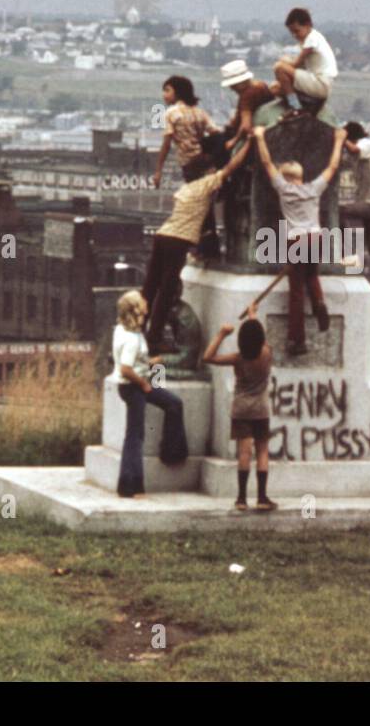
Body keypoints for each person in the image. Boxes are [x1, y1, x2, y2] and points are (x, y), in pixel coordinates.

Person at [142, 134, 253, 351]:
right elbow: (231, 167)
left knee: (150, 287)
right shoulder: (205, 184)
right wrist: (250, 143)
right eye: (211, 169)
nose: (214, 171)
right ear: (205, 172)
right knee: (166, 289)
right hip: (178, 241)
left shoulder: (186, 188)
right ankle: (154, 337)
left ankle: (136, 329)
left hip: (163, 235)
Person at [252, 123, 348, 354]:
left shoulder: (283, 189)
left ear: (285, 176)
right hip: (316, 238)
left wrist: (260, 137)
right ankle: (319, 303)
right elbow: (333, 166)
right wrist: (338, 140)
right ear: (302, 176)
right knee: (312, 274)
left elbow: (266, 163)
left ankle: (297, 340)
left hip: (296, 241)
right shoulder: (314, 188)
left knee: (296, 290)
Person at [112, 290, 187, 498]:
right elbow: (126, 369)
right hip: (133, 386)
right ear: (136, 309)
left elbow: (131, 362)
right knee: (135, 436)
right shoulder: (132, 339)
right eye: (142, 301)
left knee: (174, 404)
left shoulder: (124, 330)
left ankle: (172, 452)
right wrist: (144, 385)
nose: (146, 303)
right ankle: (131, 485)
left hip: (136, 382)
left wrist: (150, 363)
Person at [202, 312, 276, 512]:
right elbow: (259, 338)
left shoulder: (237, 359)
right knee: (262, 451)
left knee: (244, 452)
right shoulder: (268, 353)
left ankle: (241, 498)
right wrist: (253, 316)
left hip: (241, 409)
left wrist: (222, 334)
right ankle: (262, 497)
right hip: (261, 410)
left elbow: (208, 357)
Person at [155, 75, 223, 257]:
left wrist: (158, 170)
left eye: (167, 90)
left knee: (196, 204)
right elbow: (216, 133)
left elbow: (166, 143)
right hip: (206, 163)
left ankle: (205, 247)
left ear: (177, 92)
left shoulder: (171, 113)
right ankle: (209, 245)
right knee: (205, 203)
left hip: (190, 164)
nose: (164, 95)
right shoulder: (199, 112)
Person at [340, 121, 370, 298]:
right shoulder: (358, 153)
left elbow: (354, 150)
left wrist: (341, 138)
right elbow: (343, 161)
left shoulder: (366, 144)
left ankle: (348, 254)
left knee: (340, 211)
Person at [271, 8, 337, 114]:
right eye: (292, 33)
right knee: (275, 88)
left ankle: (295, 107)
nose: (295, 35)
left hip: (320, 83)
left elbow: (296, 64)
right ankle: (302, 104)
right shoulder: (312, 39)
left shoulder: (312, 39)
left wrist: (282, 61)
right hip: (316, 81)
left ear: (308, 25)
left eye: (297, 31)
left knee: (279, 68)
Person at [219, 59, 277, 139]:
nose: (231, 88)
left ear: (239, 82)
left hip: (242, 134)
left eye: (233, 85)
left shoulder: (246, 96)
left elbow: (246, 126)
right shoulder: (261, 85)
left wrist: (234, 141)